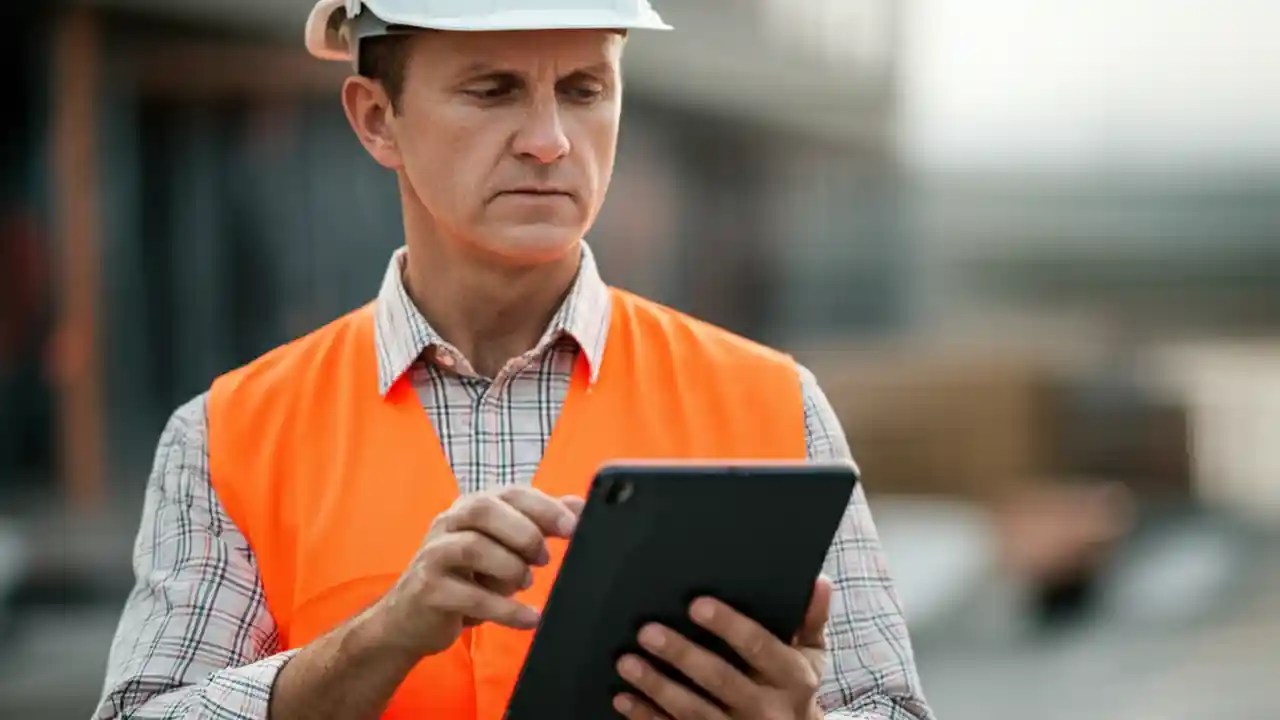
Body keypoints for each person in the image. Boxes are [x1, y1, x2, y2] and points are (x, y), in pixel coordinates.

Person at [94, 1, 933, 718]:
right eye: (492, 91)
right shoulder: (230, 438)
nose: (549, 140)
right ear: (376, 118)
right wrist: (379, 639)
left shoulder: (775, 405)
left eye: (584, 90)